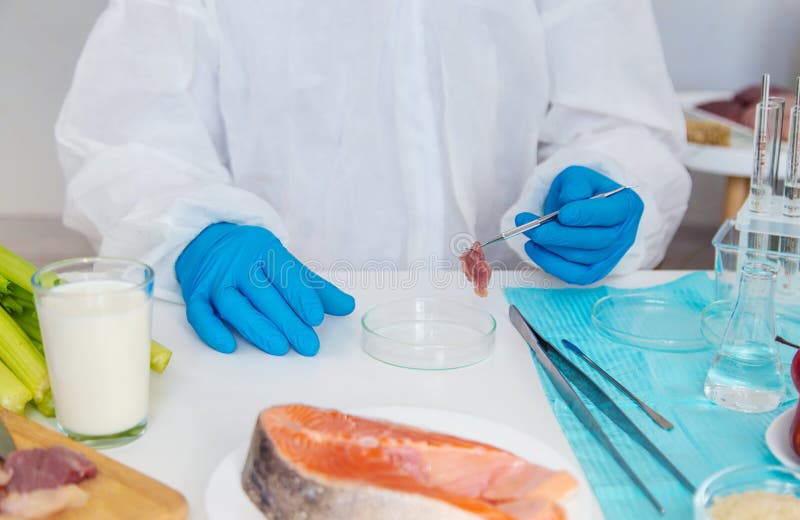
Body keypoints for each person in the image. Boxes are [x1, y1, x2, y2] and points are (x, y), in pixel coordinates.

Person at [56, 0, 690, 356]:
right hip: (278, 328)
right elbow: (124, 135)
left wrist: (610, 177)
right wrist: (194, 230)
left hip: (512, 334)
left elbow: (624, 120)